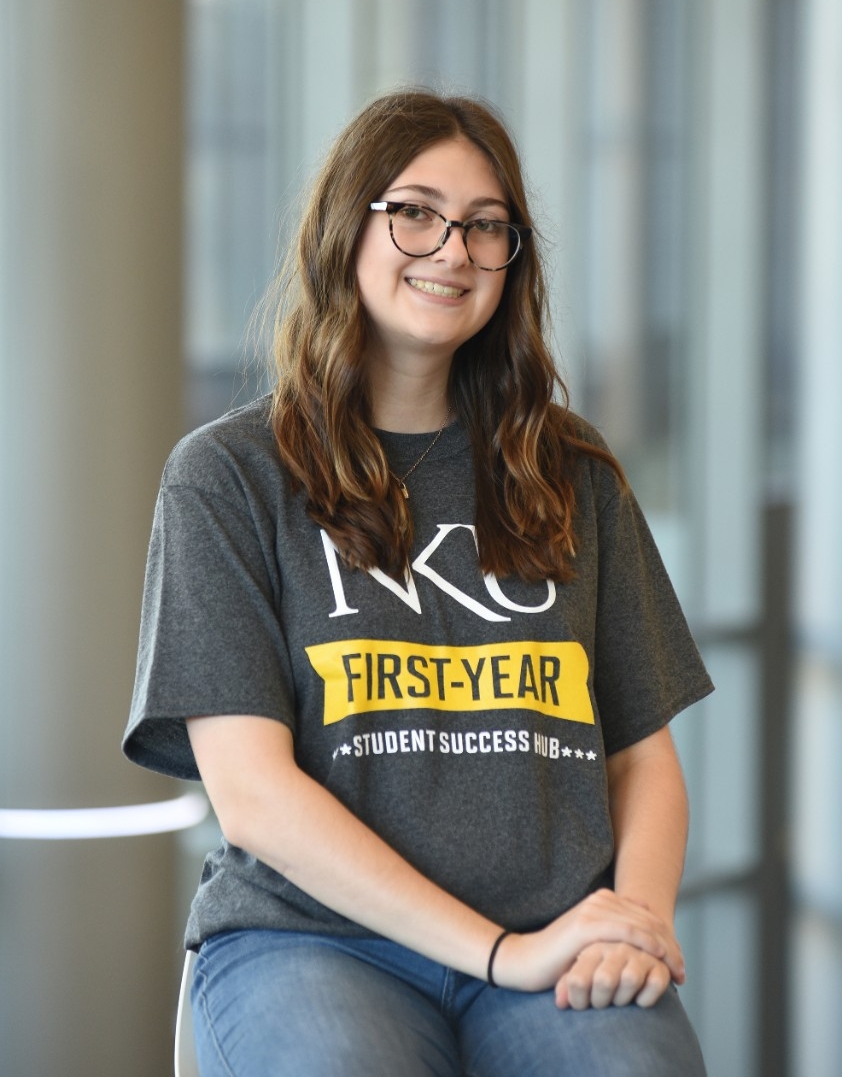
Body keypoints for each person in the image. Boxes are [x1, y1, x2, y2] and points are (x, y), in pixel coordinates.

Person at [123, 89, 713, 1077]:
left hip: (553, 931)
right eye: (414, 212)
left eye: (486, 227)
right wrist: (498, 952)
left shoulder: (571, 472)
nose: (452, 250)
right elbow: (256, 799)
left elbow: (641, 760)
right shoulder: (229, 476)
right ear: (342, 228)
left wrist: (632, 923)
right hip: (310, 943)